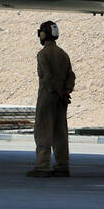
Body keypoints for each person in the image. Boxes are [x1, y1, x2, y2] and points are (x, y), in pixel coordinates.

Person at [28, 20, 75, 177]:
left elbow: (47, 77)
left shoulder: (42, 54)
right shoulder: (63, 54)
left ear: (43, 34)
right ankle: (62, 165)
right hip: (61, 99)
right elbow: (71, 75)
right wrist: (66, 91)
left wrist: (56, 91)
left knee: (43, 131)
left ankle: (43, 166)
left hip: (48, 97)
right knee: (60, 132)